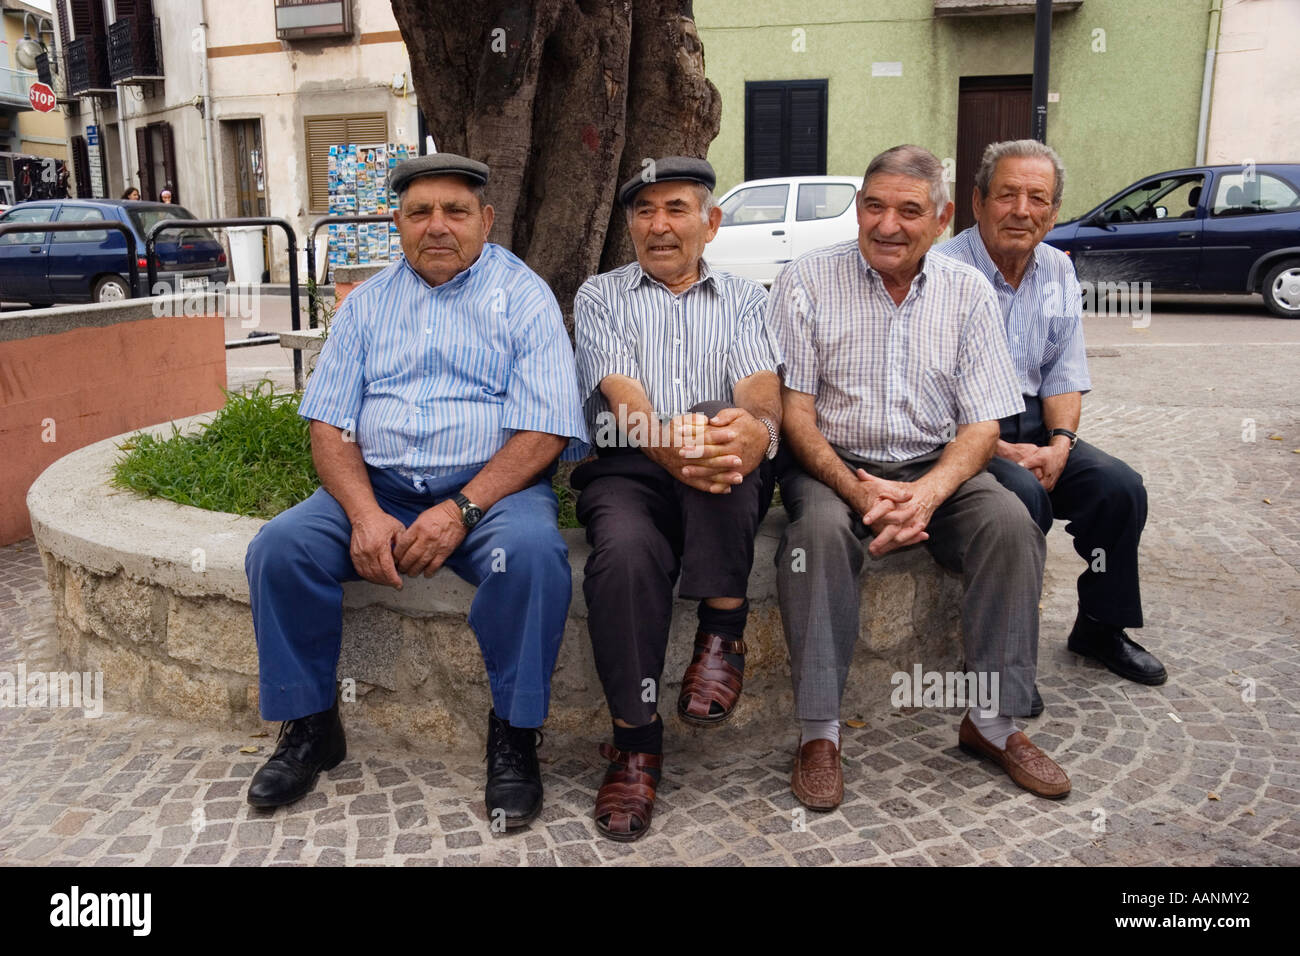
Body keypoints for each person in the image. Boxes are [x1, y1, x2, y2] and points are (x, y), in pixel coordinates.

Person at [243, 153, 587, 829]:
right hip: (383, 490)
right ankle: (311, 725)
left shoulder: (523, 297)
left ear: (485, 220)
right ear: (395, 224)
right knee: (279, 550)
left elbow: (544, 430)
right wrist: (365, 514)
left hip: (494, 494)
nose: (437, 226)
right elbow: (330, 423)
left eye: (455, 211)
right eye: (419, 212)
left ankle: (514, 736)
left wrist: (461, 510)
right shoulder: (367, 305)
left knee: (530, 559)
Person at [770, 144, 1071, 809]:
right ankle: (820, 731)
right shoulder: (808, 280)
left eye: (909, 211)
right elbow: (796, 414)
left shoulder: (966, 292)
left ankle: (992, 723)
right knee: (814, 537)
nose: (887, 225)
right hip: (833, 463)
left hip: (935, 465)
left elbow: (983, 425)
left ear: (939, 221)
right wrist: (858, 489)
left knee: (1010, 526)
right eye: (874, 206)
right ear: (857, 209)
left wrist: (928, 494)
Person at [572, 157, 782, 841]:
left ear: (710, 222)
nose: (659, 226)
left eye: (677, 209)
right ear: (630, 223)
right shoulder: (600, 295)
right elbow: (620, 393)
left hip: (721, 460)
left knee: (720, 417)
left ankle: (721, 632)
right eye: (644, 211)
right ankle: (636, 742)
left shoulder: (749, 298)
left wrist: (755, 430)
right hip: (629, 466)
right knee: (624, 556)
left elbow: (757, 389)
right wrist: (671, 444)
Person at [936, 139, 1166, 714]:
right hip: (963, 430)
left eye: (1037, 198)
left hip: (1038, 424)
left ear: (1054, 211)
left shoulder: (1059, 269)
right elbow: (929, 393)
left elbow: (1063, 372)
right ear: (978, 201)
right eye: (1007, 194)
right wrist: (998, 448)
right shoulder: (941, 272)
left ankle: (1098, 627)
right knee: (1019, 501)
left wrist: (1061, 444)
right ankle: (1003, 659)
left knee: (1119, 488)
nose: (1021, 210)